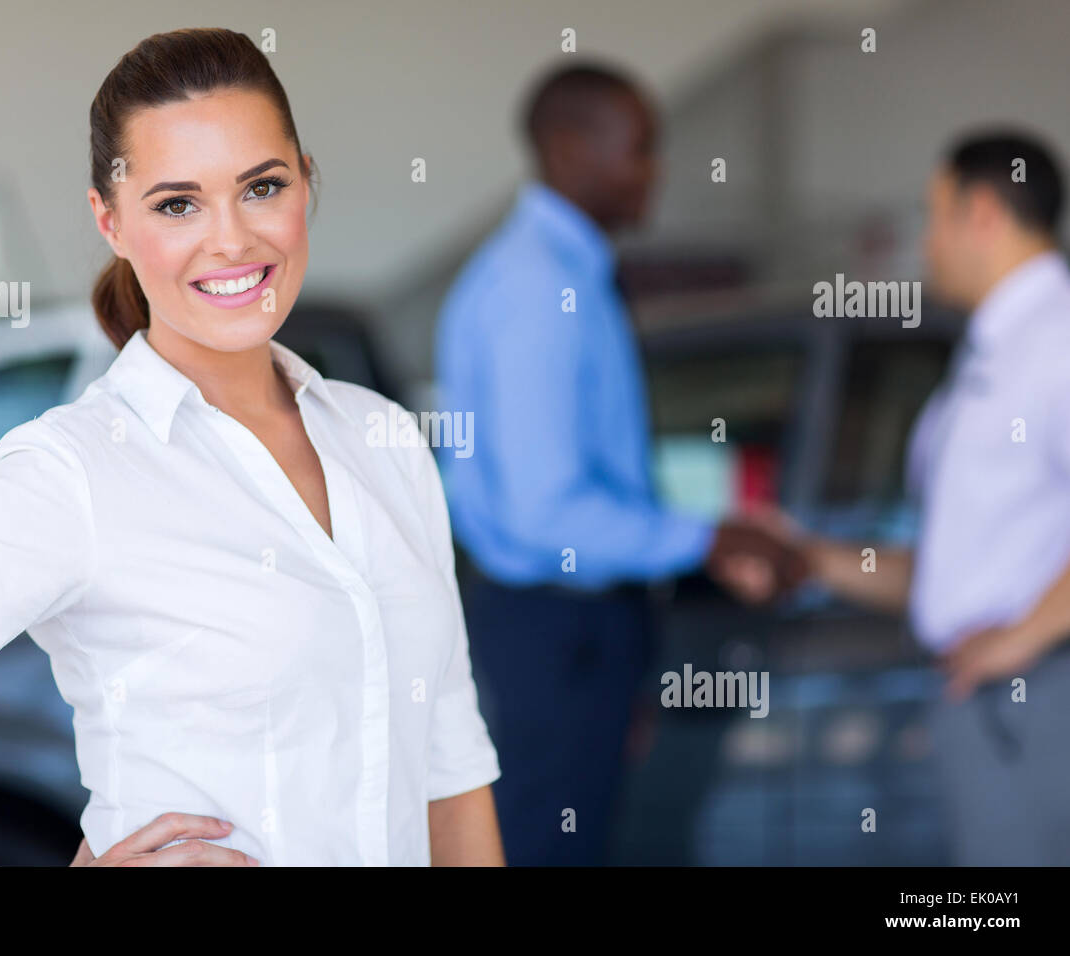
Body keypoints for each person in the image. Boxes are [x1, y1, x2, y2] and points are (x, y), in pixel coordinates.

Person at [0, 27, 503, 867]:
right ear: (110, 221)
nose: (231, 240)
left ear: (307, 181)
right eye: (177, 203)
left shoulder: (384, 439)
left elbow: (449, 767)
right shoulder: (76, 470)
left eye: (261, 186)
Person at [433, 62, 805, 866]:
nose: (655, 171)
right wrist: (711, 540)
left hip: (570, 626)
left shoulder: (556, 273)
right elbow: (544, 510)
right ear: (569, 151)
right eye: (640, 149)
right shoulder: (539, 287)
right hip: (559, 627)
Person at [759, 129, 1070, 865]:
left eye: (936, 216)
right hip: (985, 697)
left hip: (1029, 693)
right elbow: (949, 562)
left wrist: (1019, 640)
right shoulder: (994, 352)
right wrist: (810, 558)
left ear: (984, 213)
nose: (926, 244)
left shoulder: (1056, 341)